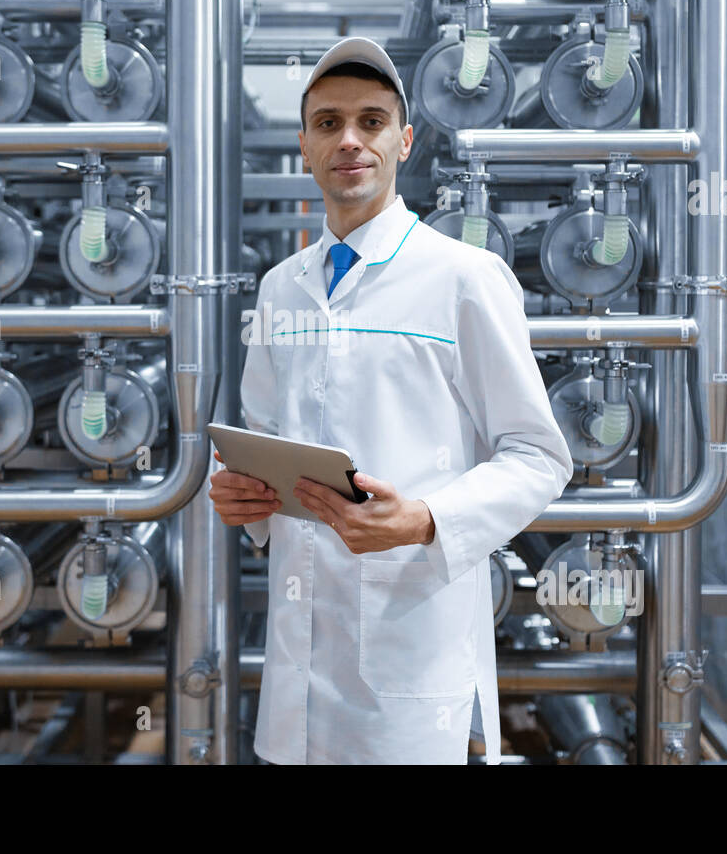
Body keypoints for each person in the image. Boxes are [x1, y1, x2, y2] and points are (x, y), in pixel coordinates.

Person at [208, 37, 573, 764]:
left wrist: (427, 518)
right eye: (328, 122)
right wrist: (245, 502)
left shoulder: (466, 277)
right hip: (299, 654)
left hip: (411, 646)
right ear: (305, 144)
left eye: (372, 122)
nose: (350, 140)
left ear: (404, 141)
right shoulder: (283, 287)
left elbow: (537, 455)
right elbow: (262, 435)